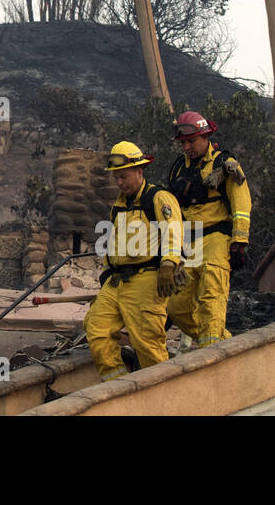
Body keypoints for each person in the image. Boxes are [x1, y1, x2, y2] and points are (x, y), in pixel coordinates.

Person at [84, 141, 184, 381]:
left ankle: (164, 401)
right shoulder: (119, 205)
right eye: (116, 178)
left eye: (124, 177)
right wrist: (107, 272)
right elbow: (114, 242)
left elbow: (173, 232)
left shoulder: (158, 198)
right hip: (117, 281)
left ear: (140, 171)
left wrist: (168, 265)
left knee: (148, 345)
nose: (119, 183)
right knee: (97, 330)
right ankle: (117, 388)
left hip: (146, 280)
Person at [165, 110, 252, 348]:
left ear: (206, 137)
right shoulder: (177, 169)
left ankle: (211, 354)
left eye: (191, 141)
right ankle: (222, 343)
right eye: (183, 143)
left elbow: (241, 202)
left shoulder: (225, 164)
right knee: (176, 306)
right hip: (188, 244)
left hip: (216, 239)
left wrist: (239, 241)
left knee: (211, 299)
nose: (187, 147)